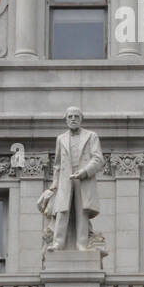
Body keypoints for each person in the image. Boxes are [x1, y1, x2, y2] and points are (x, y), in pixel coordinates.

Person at [45, 107, 104, 252]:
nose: (73, 119)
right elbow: (57, 165)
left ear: (81, 119)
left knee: (82, 212)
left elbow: (98, 159)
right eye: (70, 116)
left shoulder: (91, 136)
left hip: (83, 179)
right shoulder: (61, 138)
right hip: (65, 180)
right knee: (62, 211)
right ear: (66, 119)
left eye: (76, 116)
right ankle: (58, 243)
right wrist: (54, 184)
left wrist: (84, 172)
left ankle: (82, 245)